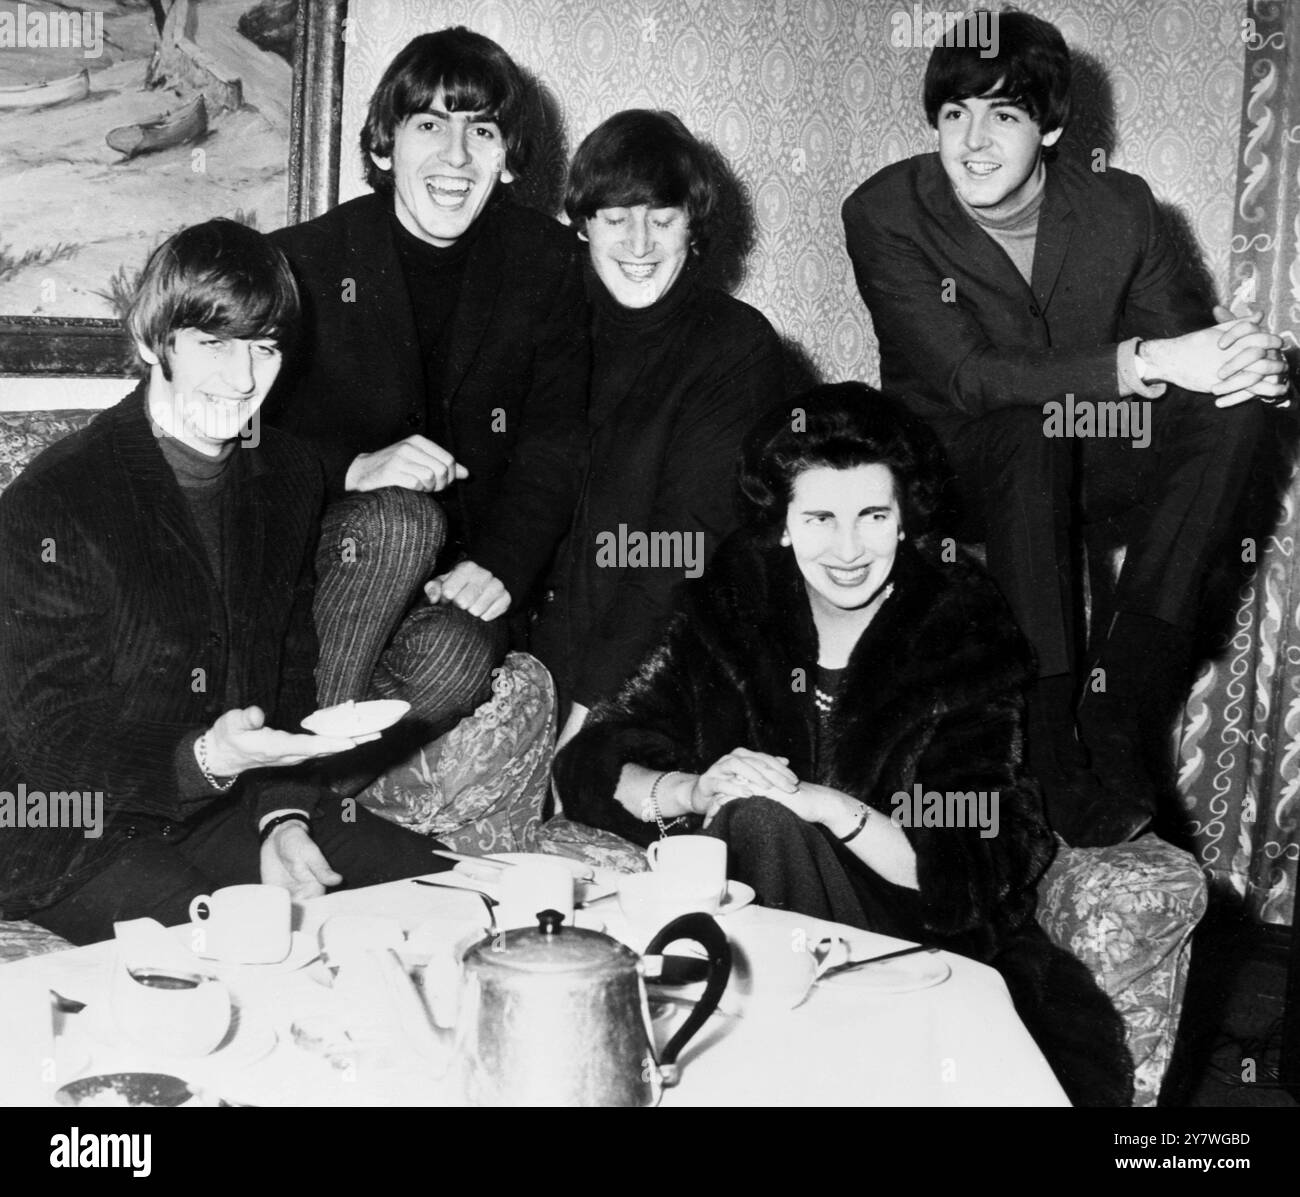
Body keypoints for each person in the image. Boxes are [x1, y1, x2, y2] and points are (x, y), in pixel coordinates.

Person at [555, 384, 1134, 1107]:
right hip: (752, 955)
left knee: (765, 819)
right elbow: (594, 757)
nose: (850, 548)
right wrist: (692, 788)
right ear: (784, 524)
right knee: (748, 820)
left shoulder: (957, 621)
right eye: (821, 518)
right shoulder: (736, 596)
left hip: (911, 941)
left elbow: (976, 852)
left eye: (873, 516)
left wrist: (830, 809)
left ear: (904, 521)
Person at [841, 10, 1289, 846]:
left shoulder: (1122, 207)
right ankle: (1049, 742)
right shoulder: (885, 213)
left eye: (1003, 114)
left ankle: (1121, 698)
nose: (973, 141)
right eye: (953, 114)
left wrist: (1250, 366)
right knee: (1028, 427)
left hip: (1085, 462)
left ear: (1050, 126)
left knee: (1231, 414)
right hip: (957, 471)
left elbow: (1188, 349)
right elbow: (970, 378)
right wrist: (1149, 360)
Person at [0, 220, 451, 946]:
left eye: (264, 347)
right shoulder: (55, 500)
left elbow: (290, 663)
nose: (242, 379)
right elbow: (52, 742)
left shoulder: (288, 475)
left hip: (223, 805)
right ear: (152, 342)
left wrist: (284, 813)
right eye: (214, 344)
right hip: (69, 825)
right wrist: (205, 758)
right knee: (227, 946)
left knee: (445, 895)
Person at [266, 27, 589, 752]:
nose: (455, 155)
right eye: (428, 125)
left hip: (448, 583)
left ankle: (319, 776)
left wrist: (500, 564)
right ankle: (296, 795)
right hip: (319, 576)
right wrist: (353, 467)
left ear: (507, 161)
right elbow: (244, 439)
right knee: (401, 520)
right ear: (385, 147)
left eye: (482, 130)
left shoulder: (547, 264)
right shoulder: (304, 263)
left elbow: (557, 440)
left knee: (461, 655)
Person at [531, 110, 783, 746]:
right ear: (582, 227)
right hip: (533, 625)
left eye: (662, 219)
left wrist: (583, 717)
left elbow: (682, 548)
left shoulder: (735, 343)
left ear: (693, 227)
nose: (639, 245)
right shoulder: (542, 315)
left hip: (658, 642)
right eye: (616, 219)